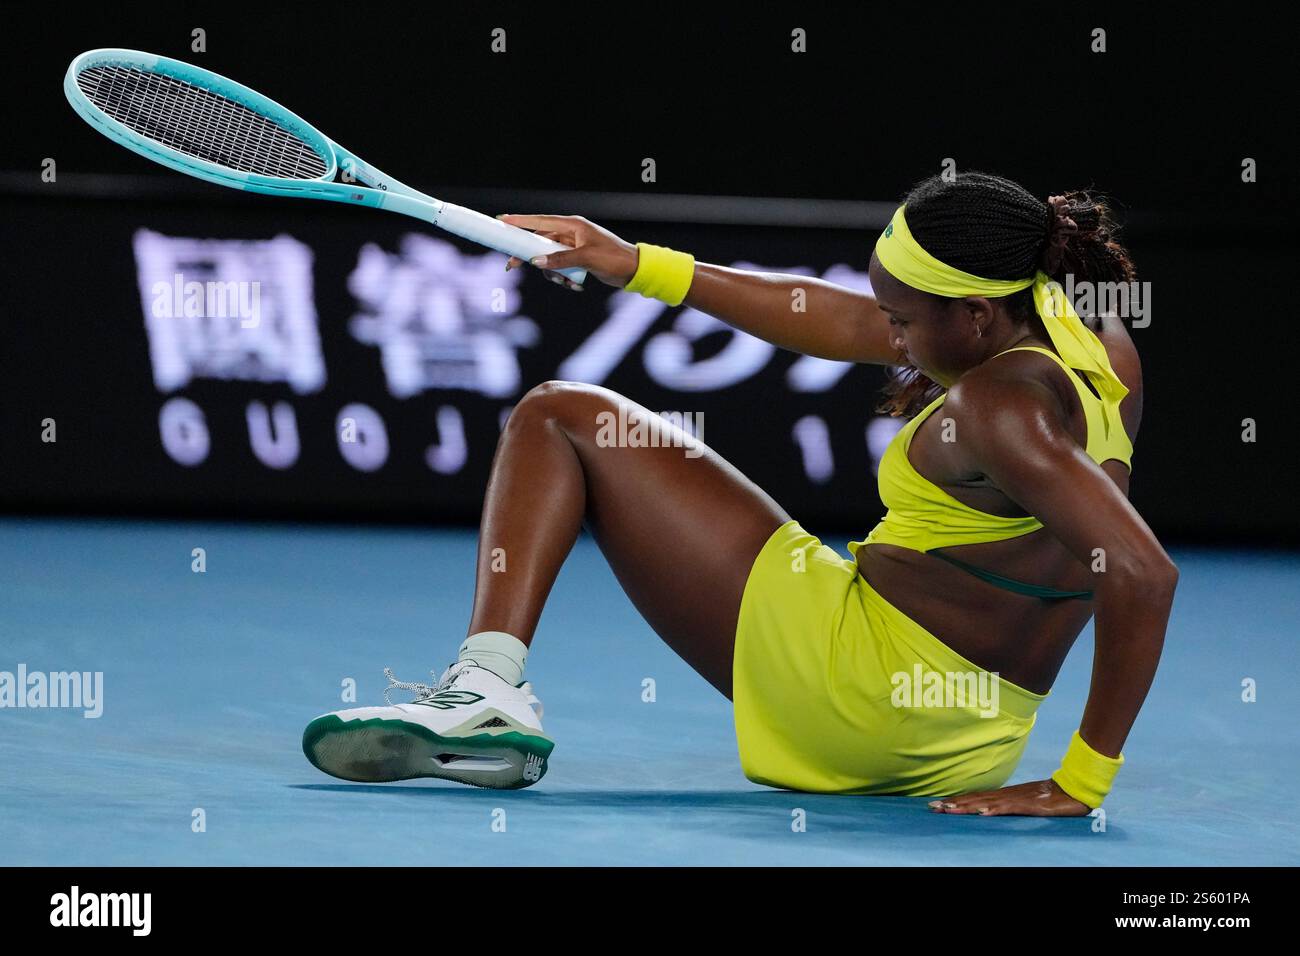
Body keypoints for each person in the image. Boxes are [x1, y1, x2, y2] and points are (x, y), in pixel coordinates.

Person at [302, 171, 1177, 816]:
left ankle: (488, 687)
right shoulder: (1091, 342)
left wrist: (1079, 784)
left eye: (905, 321)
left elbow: (1143, 572)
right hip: (966, 740)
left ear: (974, 315)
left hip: (856, 692)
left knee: (559, 416)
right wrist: (633, 263)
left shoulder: (999, 406)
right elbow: (833, 318)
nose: (892, 338)